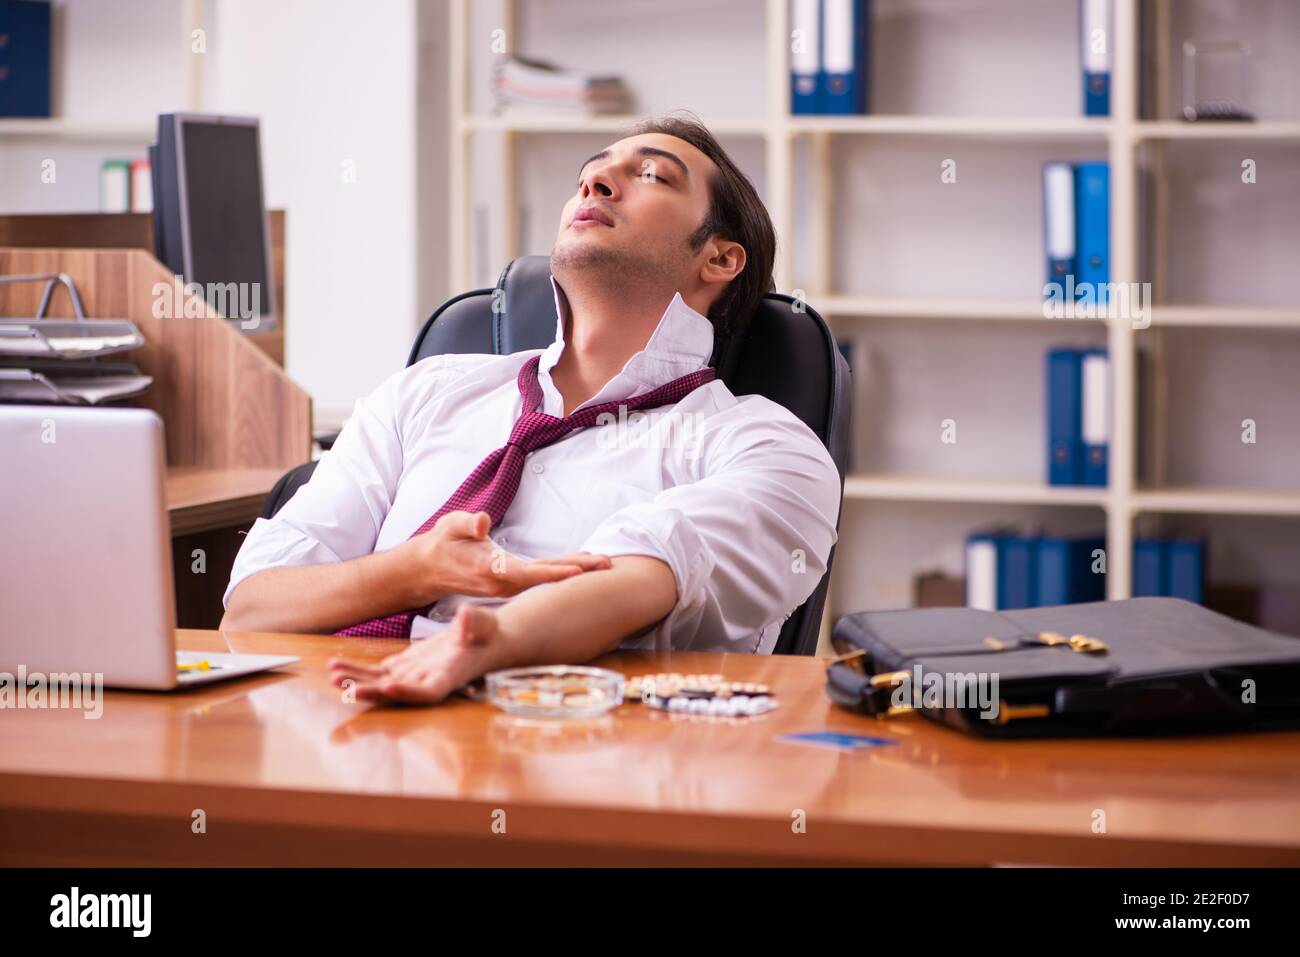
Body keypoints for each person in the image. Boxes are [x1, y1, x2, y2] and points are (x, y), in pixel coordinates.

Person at [220, 115, 840, 704]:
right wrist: (416, 570)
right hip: (333, 730)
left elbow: (649, 570)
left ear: (721, 258)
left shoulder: (769, 446)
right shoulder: (421, 393)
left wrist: (494, 641)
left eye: (651, 175)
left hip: (575, 762)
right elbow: (251, 606)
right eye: (590, 174)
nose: (596, 182)